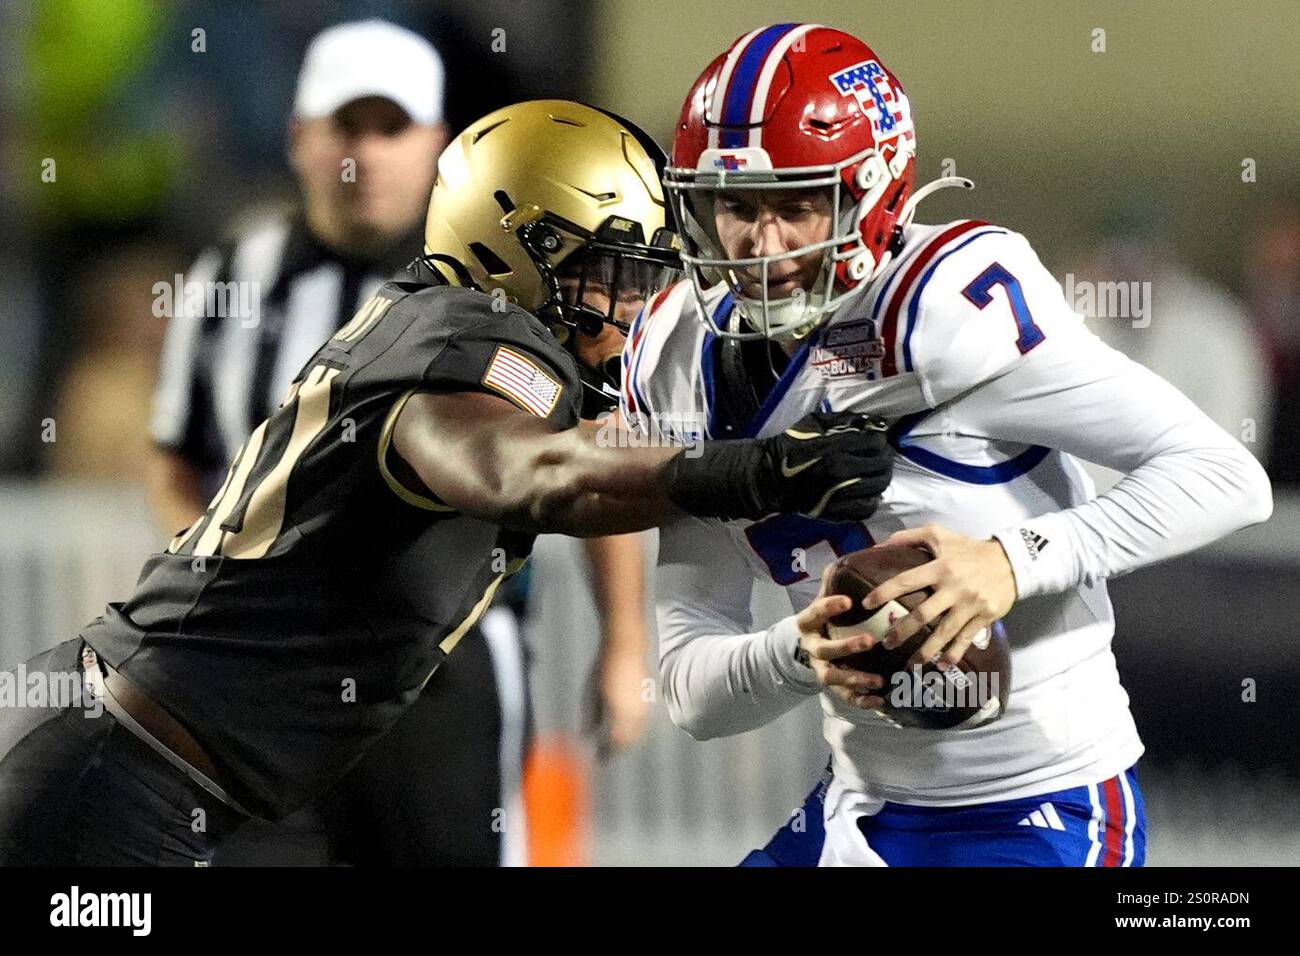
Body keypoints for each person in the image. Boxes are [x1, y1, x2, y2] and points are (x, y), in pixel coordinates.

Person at [0, 98, 892, 866]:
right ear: (510, 242)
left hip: (142, 766)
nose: (627, 307)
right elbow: (529, 475)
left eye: (642, 277)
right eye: (607, 270)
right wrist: (762, 473)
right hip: (119, 778)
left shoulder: (443, 325)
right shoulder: (473, 346)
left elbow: (571, 467)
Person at [626, 24, 1273, 867]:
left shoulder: (941, 310)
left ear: (873, 194)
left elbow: (1226, 476)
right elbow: (691, 692)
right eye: (736, 207)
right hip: (858, 806)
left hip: (1041, 802)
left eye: (796, 205)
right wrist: (802, 651)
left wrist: (1013, 560)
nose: (762, 245)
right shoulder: (676, 356)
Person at [147, 19, 647, 866]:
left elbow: (593, 459)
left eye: (393, 129)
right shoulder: (232, 273)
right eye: (347, 128)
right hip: (263, 665)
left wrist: (627, 639)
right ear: (301, 139)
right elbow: (176, 454)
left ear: (439, 147)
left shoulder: (508, 282)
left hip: (439, 660)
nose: (368, 155)